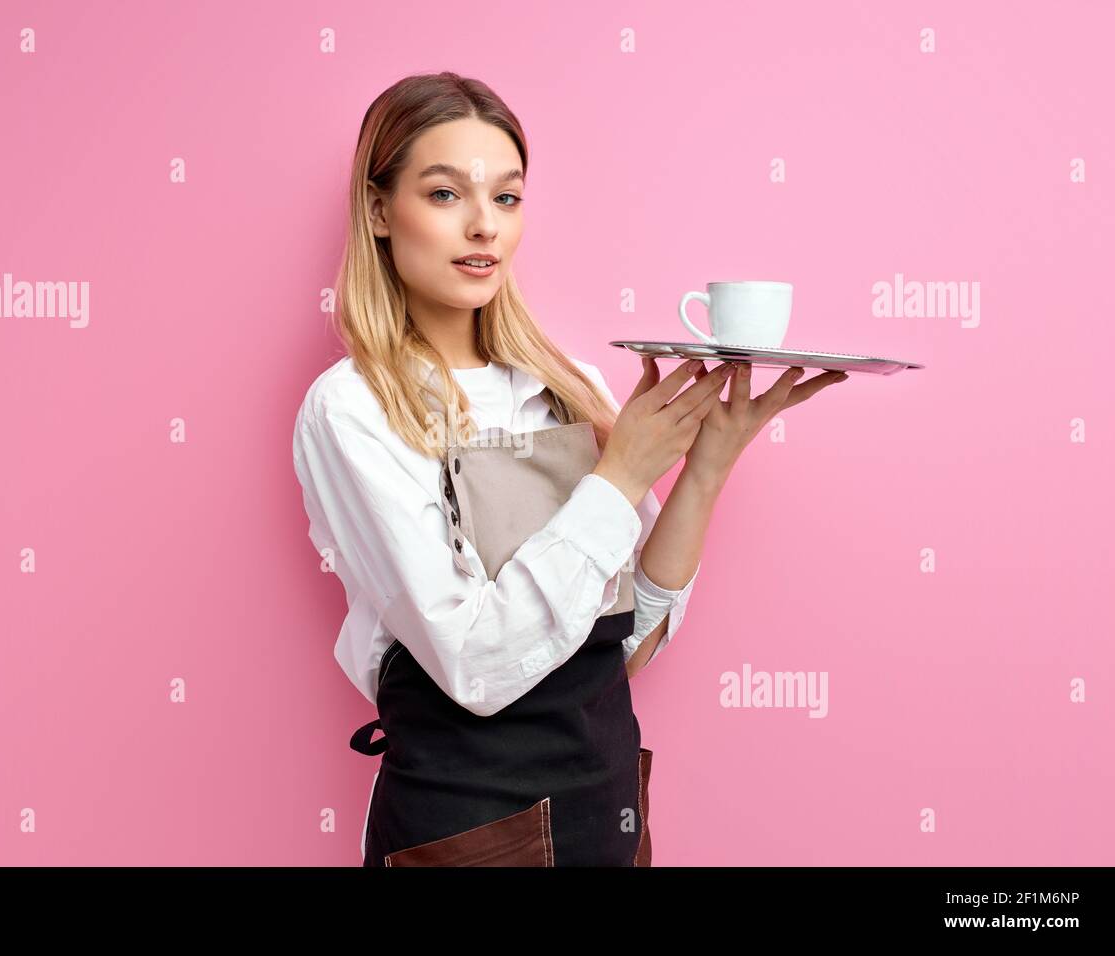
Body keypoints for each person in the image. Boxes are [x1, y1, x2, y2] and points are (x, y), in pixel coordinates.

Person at [292, 71, 847, 867]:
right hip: (466, 830)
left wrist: (705, 469)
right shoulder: (353, 410)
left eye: (507, 199)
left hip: (603, 817)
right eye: (446, 194)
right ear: (380, 211)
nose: (484, 226)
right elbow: (474, 664)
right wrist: (617, 478)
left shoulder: (564, 385)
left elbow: (628, 645)